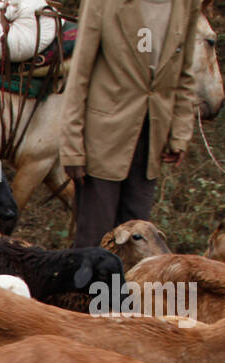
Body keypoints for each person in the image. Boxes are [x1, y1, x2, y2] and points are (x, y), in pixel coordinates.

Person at [61, 0, 204, 247]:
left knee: (136, 241)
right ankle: (83, 288)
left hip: (152, 140)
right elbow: (79, 74)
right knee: (95, 241)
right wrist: (72, 146)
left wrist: (180, 134)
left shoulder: (187, 5)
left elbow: (185, 73)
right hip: (103, 138)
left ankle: (121, 287)